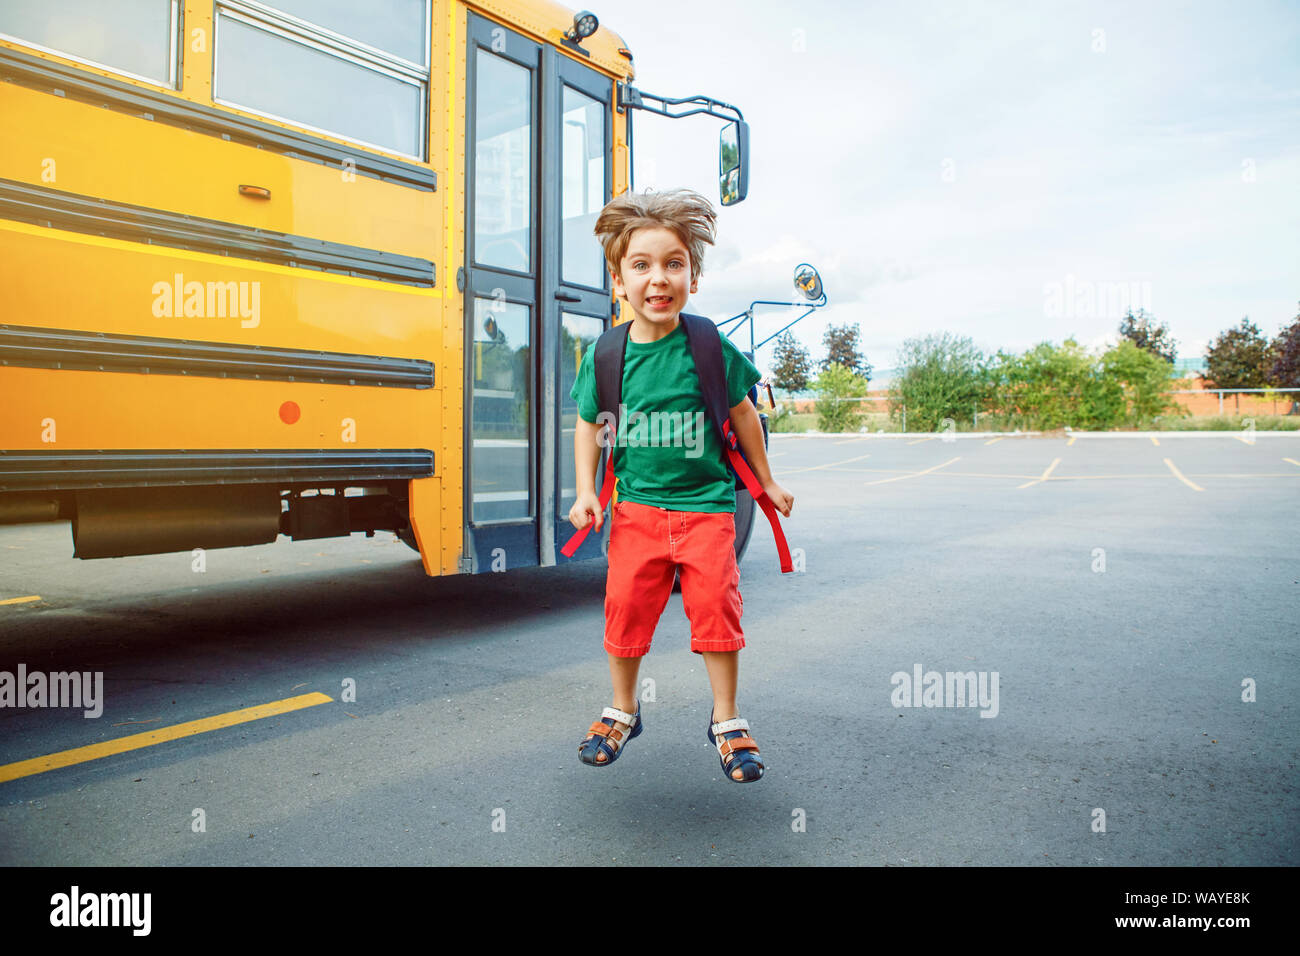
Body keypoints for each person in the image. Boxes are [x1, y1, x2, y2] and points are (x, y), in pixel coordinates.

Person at [567, 188, 794, 783]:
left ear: (693, 275)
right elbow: (591, 422)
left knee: (717, 610)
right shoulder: (607, 353)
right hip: (637, 510)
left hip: (707, 509)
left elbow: (743, 412)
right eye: (641, 266)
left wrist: (765, 482)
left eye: (674, 263)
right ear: (618, 281)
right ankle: (622, 708)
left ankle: (727, 718)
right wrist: (586, 491)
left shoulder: (707, 344)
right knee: (624, 611)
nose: (658, 278)